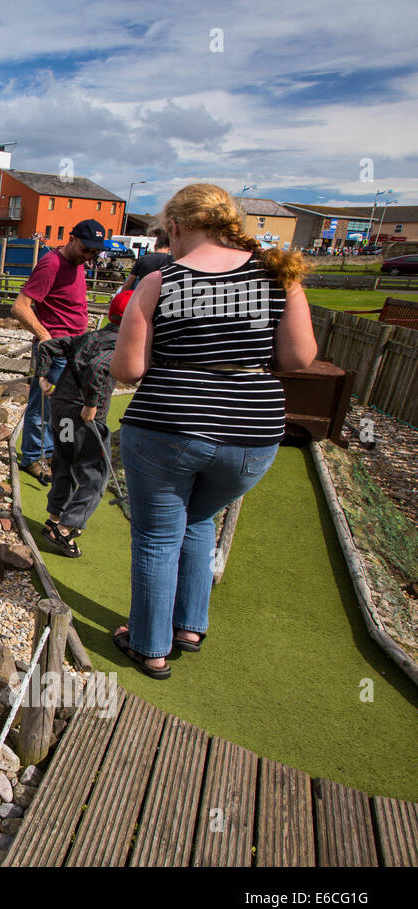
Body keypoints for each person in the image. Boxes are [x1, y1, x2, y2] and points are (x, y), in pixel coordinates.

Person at [108, 183, 317, 679]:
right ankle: (189, 626)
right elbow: (298, 358)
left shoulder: (162, 281)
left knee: (158, 537)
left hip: (169, 424)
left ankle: (149, 645)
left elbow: (128, 370)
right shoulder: (275, 276)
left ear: (177, 227)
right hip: (252, 432)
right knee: (200, 518)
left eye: (166, 233)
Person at [34, 288, 126, 558]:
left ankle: (54, 516)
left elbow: (47, 346)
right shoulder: (119, 343)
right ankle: (65, 529)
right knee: (95, 474)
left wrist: (42, 377)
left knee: (64, 462)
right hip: (84, 417)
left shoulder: (89, 336)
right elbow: (99, 366)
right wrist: (92, 402)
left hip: (61, 408)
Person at [11, 219, 105, 482]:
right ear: (72, 238)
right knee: (42, 404)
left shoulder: (77, 264)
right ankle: (33, 456)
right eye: (86, 249)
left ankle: (51, 452)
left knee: (64, 407)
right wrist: (45, 336)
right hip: (56, 350)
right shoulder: (51, 264)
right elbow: (20, 306)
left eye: (94, 252)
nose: (89, 256)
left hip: (76, 348)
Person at [118, 228, 172, 293]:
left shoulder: (142, 259)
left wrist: (121, 297)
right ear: (169, 248)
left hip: (142, 294)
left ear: (155, 247)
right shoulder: (172, 260)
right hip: (162, 295)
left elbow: (128, 283)